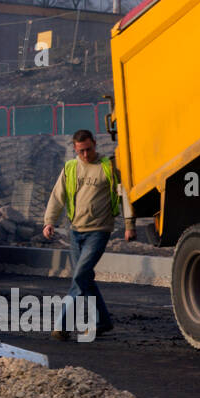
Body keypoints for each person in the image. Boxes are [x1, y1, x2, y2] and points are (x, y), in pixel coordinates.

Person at [42, 129, 135, 339]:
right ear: (75, 149)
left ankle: (62, 325)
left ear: (95, 143)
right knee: (86, 279)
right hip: (75, 232)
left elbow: (125, 196)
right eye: (81, 151)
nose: (86, 155)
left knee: (79, 276)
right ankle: (102, 322)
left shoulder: (108, 167)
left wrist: (130, 224)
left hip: (98, 231)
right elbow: (58, 197)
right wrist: (49, 222)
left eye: (89, 149)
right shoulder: (71, 168)